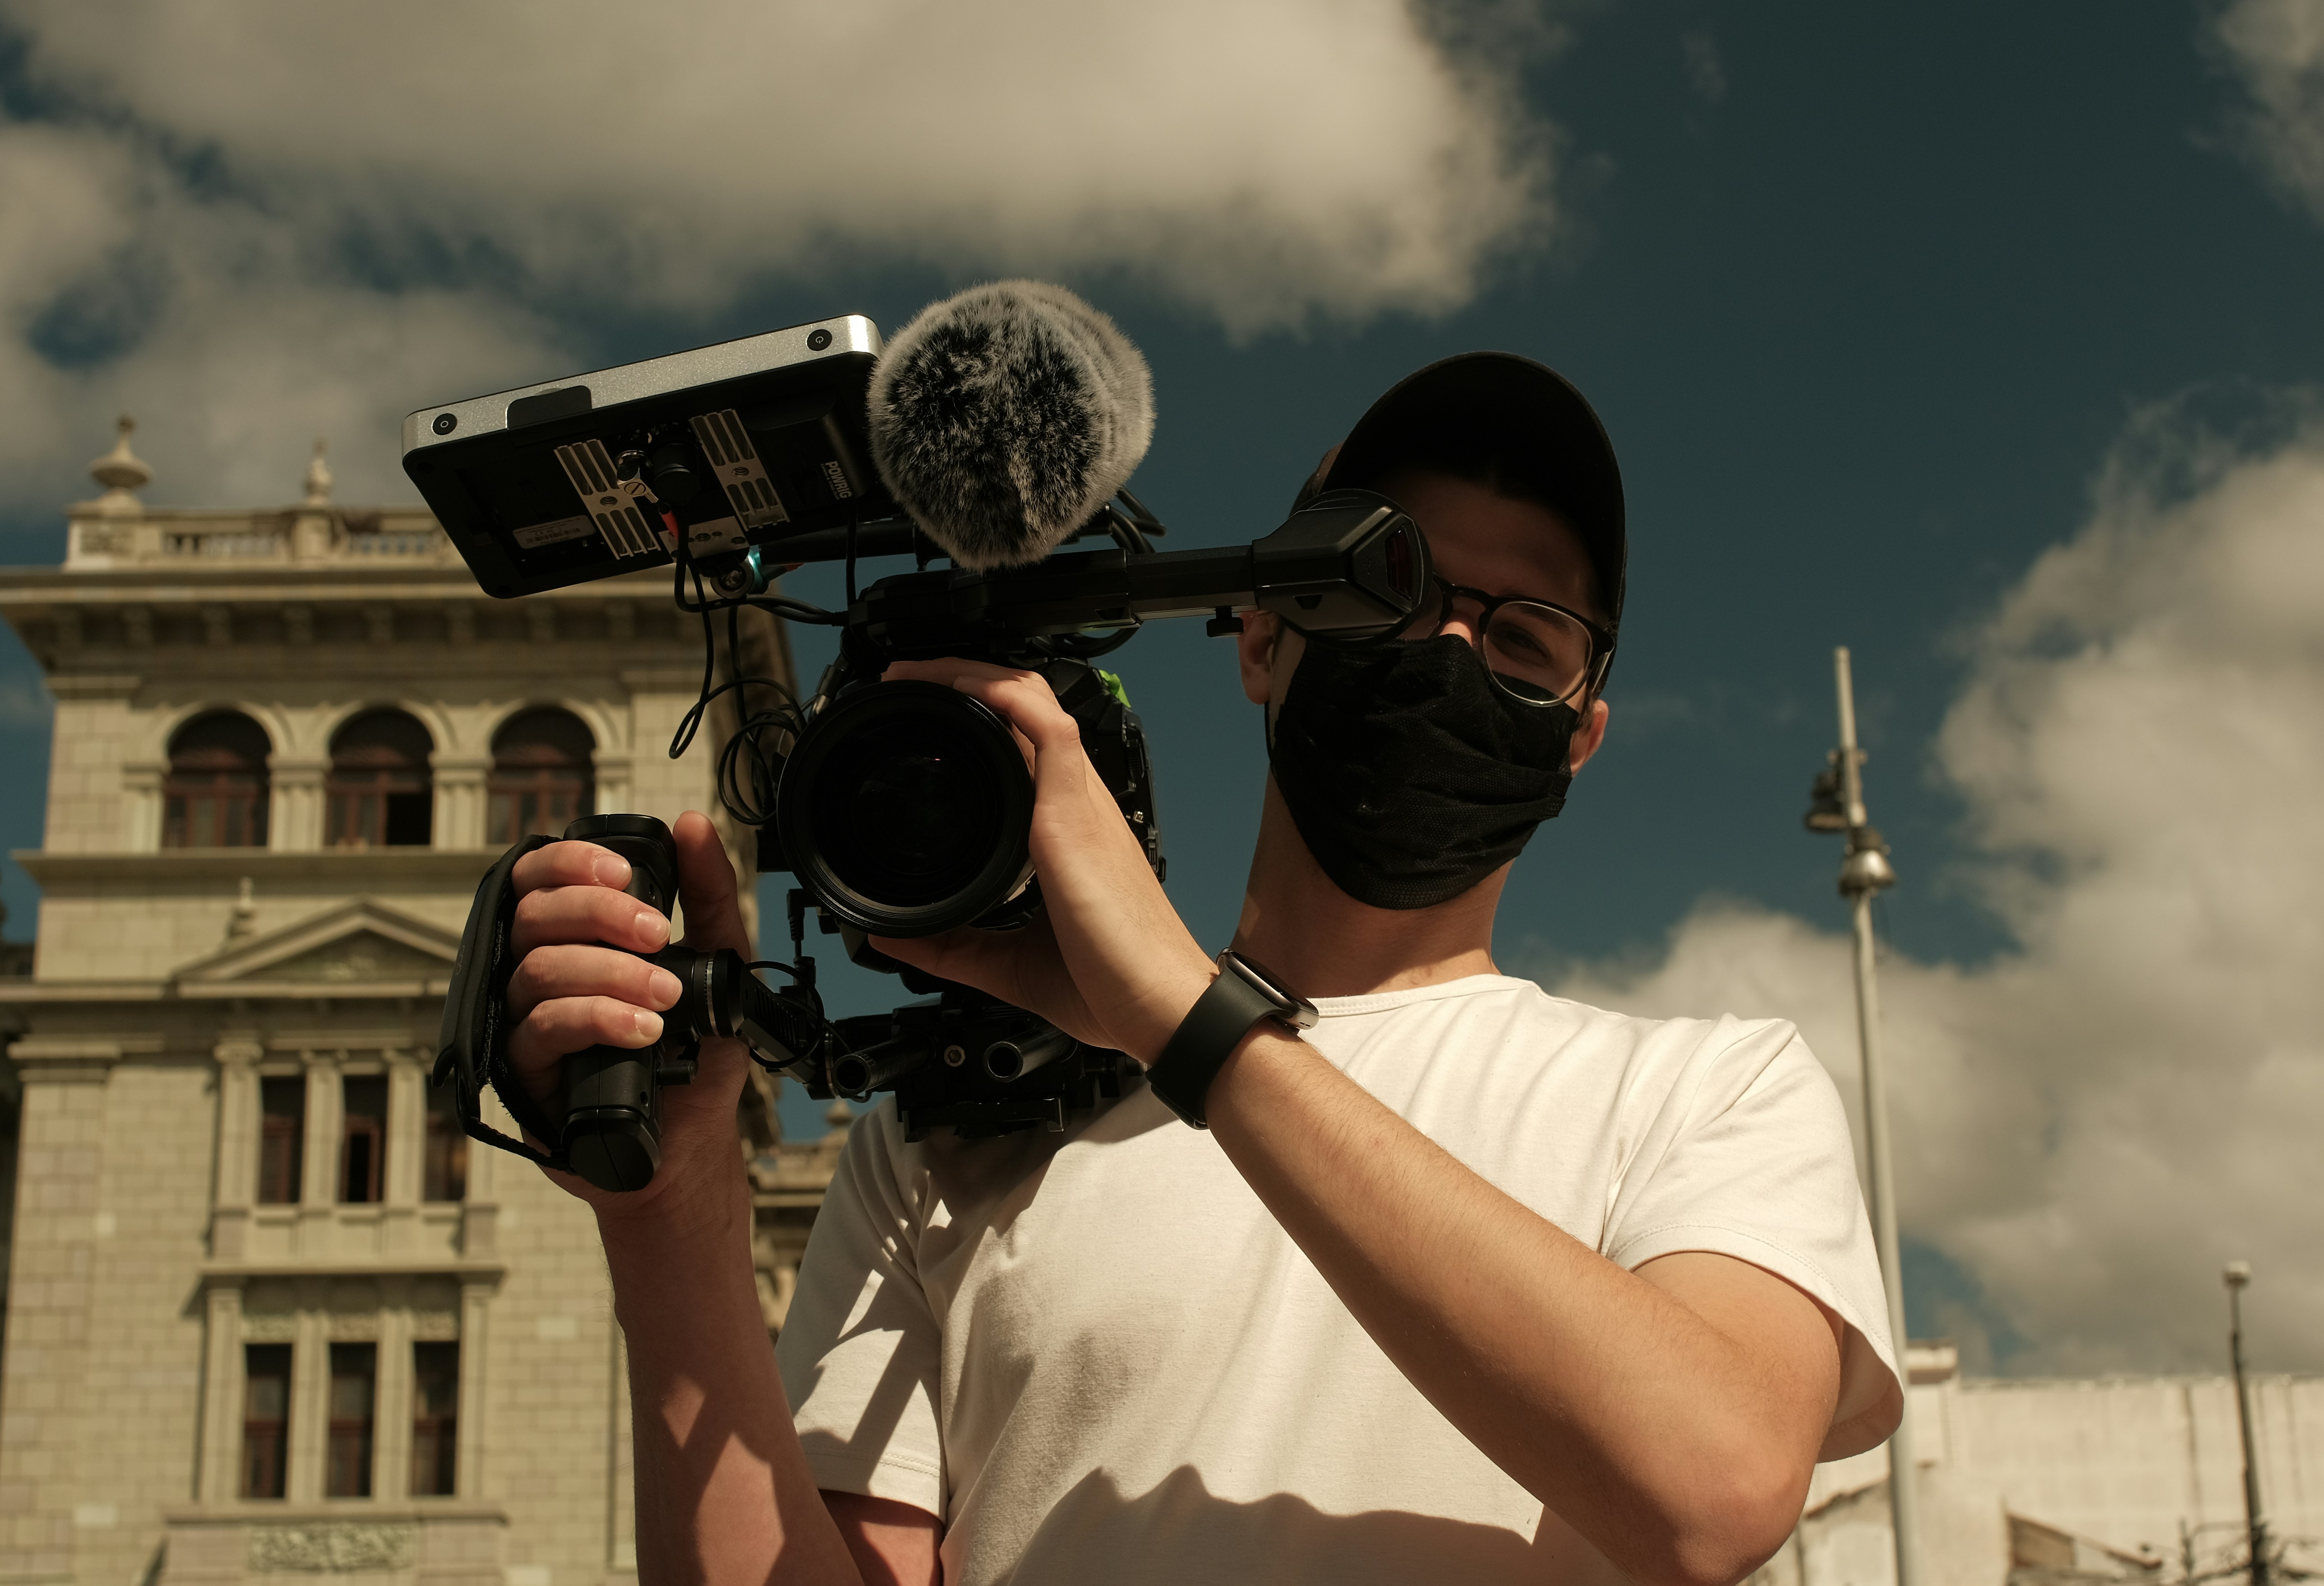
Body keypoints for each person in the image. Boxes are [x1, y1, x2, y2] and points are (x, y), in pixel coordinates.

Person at [498, 354, 1904, 1586]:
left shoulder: (1707, 1092)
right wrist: (670, 1217)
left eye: (1524, 636)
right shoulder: (955, 1138)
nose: (1448, 649)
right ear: (1264, 635)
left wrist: (1183, 1017)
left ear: (1579, 736)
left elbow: (1714, 1489)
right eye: (1392, 589)